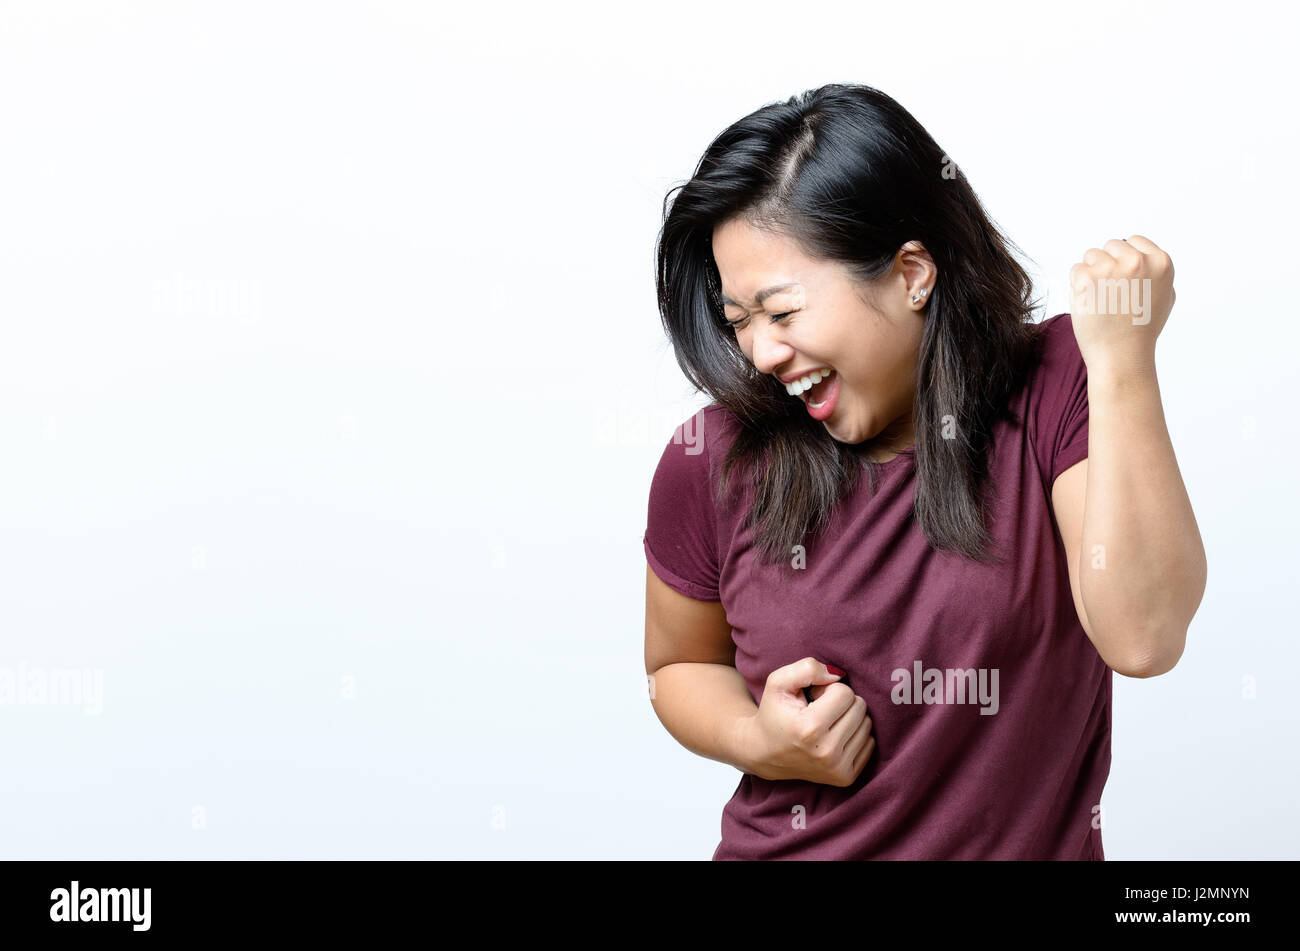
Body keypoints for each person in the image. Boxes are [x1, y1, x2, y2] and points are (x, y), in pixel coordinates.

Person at [643, 82, 1206, 860]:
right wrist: (758, 736)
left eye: (782, 312)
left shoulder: (1057, 388)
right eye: (738, 322)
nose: (760, 354)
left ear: (911, 273)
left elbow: (1143, 636)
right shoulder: (711, 459)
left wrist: (1123, 364)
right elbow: (678, 663)